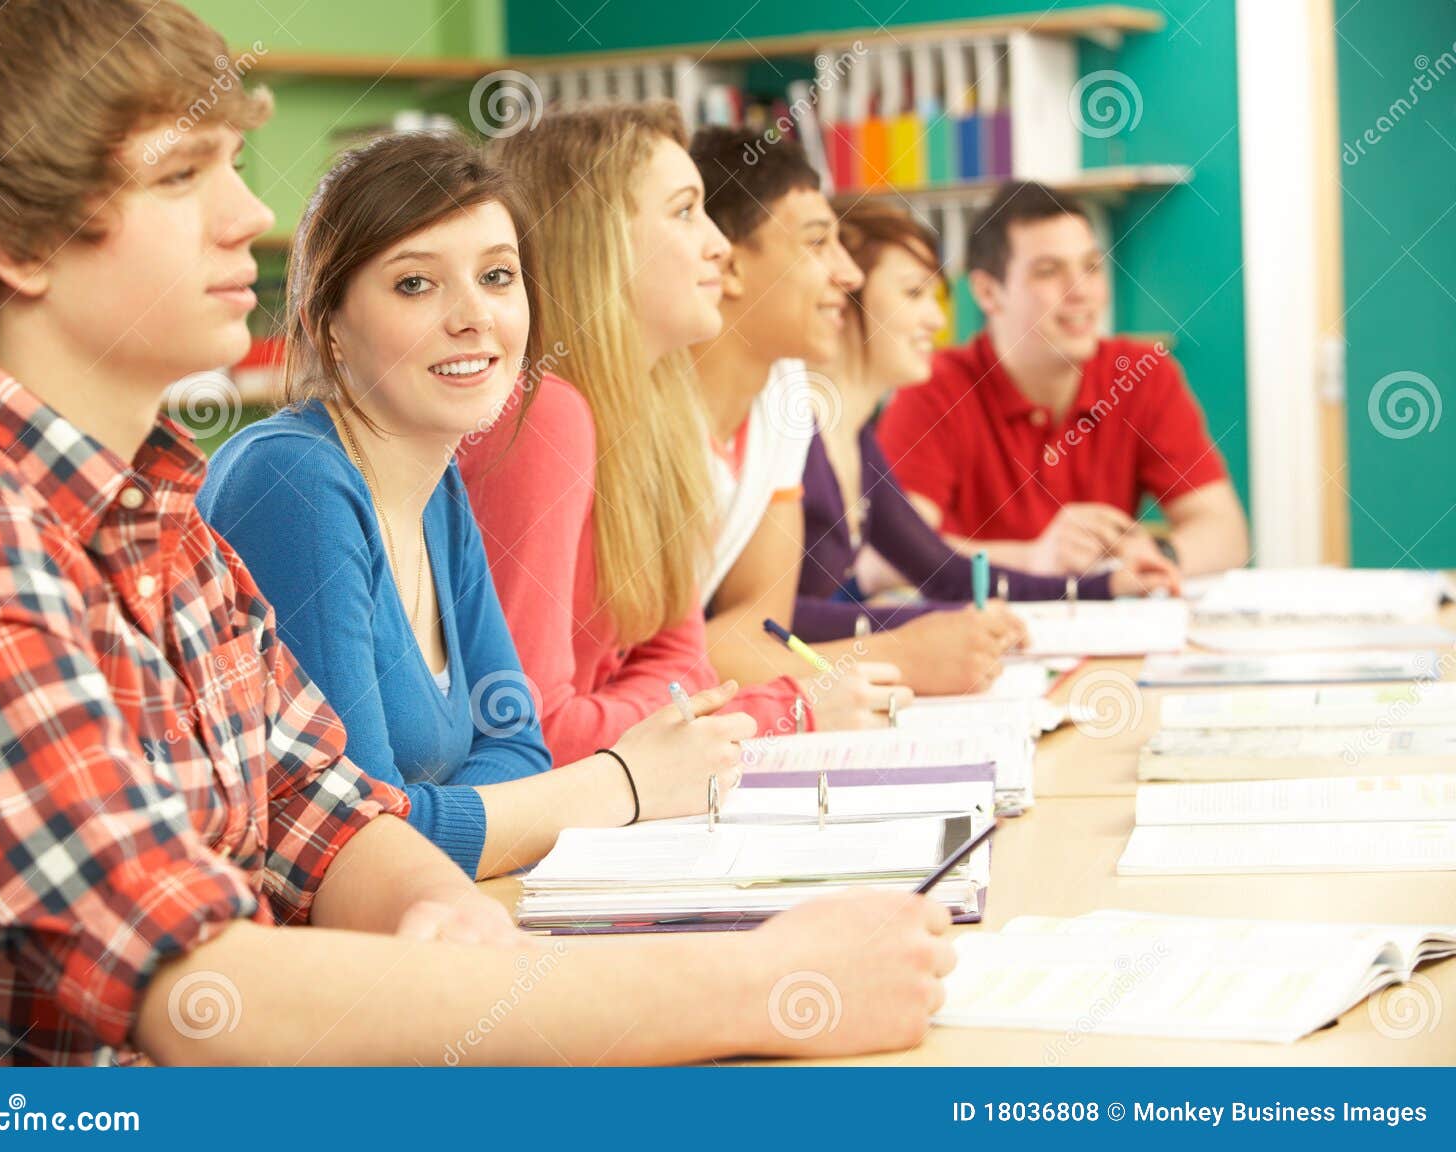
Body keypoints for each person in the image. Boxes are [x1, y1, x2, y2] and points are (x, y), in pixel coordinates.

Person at [0, 0, 954, 1067]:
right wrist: (764, 985)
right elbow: (195, 986)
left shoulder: (149, 508)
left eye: (233, 165)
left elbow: (319, 808)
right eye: (183, 175)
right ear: (17, 240)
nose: (246, 214)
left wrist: (442, 916)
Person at [200, 131, 753, 880]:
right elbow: (360, 844)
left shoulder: (438, 489)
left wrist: (448, 814)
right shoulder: (293, 482)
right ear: (327, 323)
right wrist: (619, 782)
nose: (474, 316)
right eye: (415, 285)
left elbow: (518, 747)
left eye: (498, 276)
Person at [462, 104, 909, 759]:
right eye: (684, 211)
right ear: (598, 242)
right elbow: (536, 734)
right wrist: (787, 706)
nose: (719, 245)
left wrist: (654, 706)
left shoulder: (658, 415)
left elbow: (683, 661)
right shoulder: (543, 415)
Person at [686, 127, 1022, 696]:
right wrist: (906, 649)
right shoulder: (651, 419)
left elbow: (752, 631)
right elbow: (703, 650)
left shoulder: (781, 392)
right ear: (728, 263)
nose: (849, 275)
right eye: (818, 243)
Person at [790, 193, 1179, 644]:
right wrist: (930, 629)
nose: (937, 320)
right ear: (843, 297)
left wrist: (1104, 586)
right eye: (915, 293)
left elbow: (946, 575)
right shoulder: (793, 439)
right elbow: (766, 622)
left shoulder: (854, 438)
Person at [875, 181, 1250, 577]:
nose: (1081, 291)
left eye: (1090, 266)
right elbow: (881, 562)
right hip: (984, 629)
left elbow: (1226, 533)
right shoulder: (933, 387)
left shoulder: (1140, 374)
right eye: (1049, 271)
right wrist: (1037, 559)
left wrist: (1158, 560)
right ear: (988, 292)